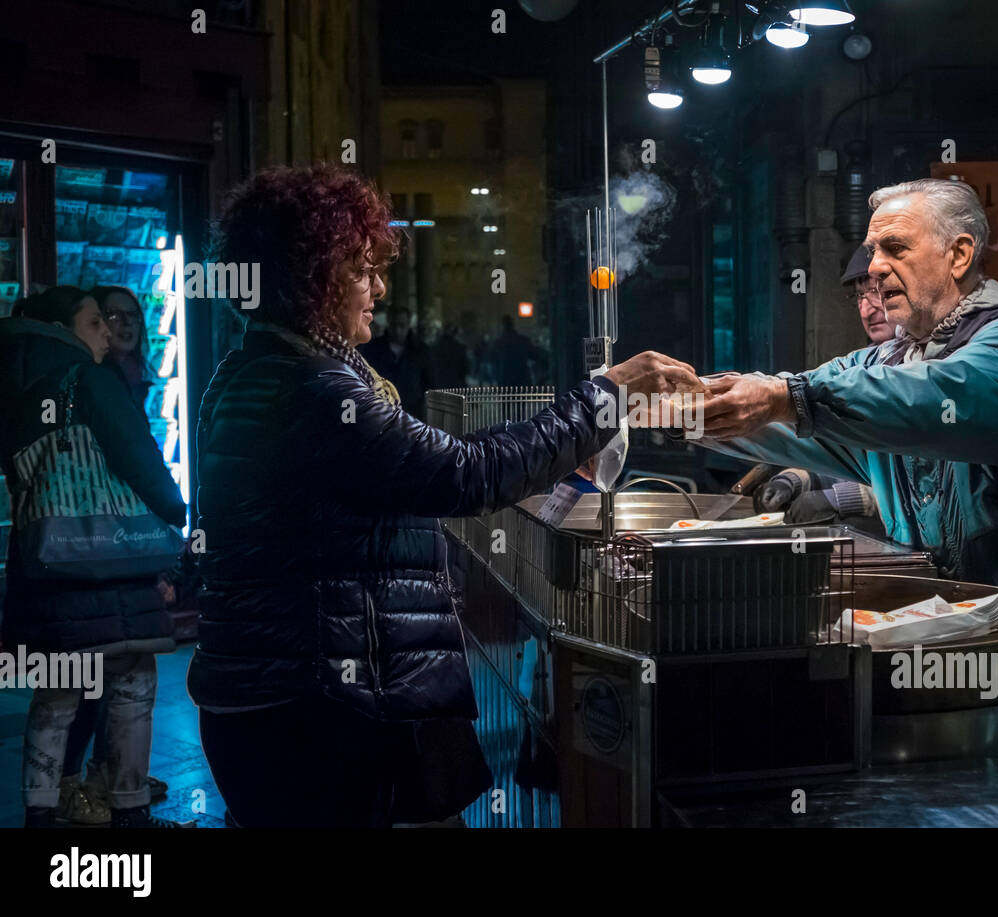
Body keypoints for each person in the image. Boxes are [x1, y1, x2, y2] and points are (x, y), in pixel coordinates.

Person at [191, 164, 698, 827]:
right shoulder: (311, 390)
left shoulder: (256, 370)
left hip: (292, 699)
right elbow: (465, 473)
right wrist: (606, 395)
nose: (378, 286)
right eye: (360, 267)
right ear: (307, 276)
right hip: (324, 710)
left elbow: (422, 464)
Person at [693, 178, 998, 698]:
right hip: (978, 659)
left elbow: (926, 399)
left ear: (959, 255)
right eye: (874, 250)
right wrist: (675, 409)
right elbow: (789, 418)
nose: (874, 267)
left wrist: (787, 395)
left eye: (894, 249)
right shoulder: (889, 358)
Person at [0, 286, 189, 828]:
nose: (106, 332)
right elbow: (139, 459)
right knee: (130, 684)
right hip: (112, 570)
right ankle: (129, 813)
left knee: (57, 691)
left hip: (46, 568)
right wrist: (174, 510)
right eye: (93, 323)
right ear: (63, 330)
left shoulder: (16, 389)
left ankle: (40, 812)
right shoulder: (88, 380)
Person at [358, 303, 437, 415]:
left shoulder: (421, 351)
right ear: (388, 324)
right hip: (382, 411)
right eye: (394, 325)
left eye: (402, 325)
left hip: (413, 412)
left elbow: (429, 385)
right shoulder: (373, 348)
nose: (397, 330)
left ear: (408, 325)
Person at [430, 323, 469, 389]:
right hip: (455, 383)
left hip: (439, 383)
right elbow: (465, 368)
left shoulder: (435, 346)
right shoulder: (460, 347)